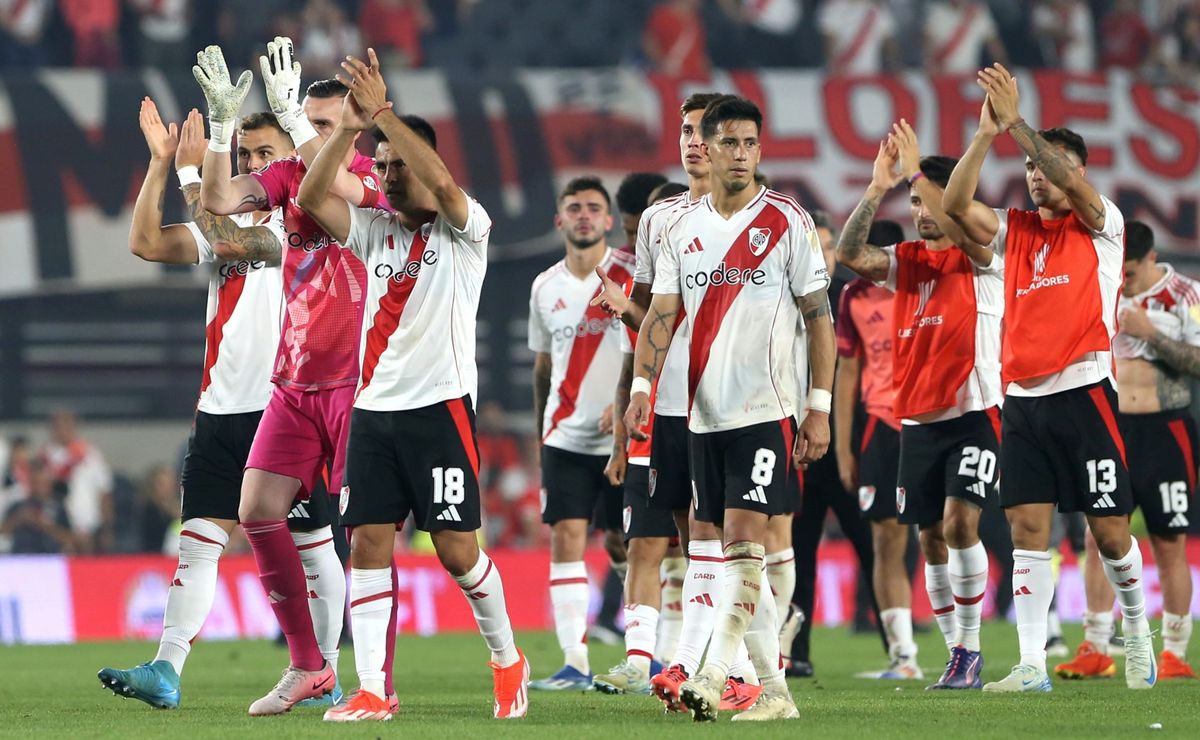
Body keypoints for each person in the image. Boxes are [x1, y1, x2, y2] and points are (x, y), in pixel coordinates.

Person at [296, 48, 529, 721]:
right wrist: (349, 127)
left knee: (458, 552)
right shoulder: (373, 232)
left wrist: (388, 117)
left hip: (440, 412)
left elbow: (446, 188)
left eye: (401, 165)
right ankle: (374, 690)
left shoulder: (467, 232)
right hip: (373, 414)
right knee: (366, 542)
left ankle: (508, 659)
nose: (390, 177)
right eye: (385, 167)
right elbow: (313, 196)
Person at [97, 99, 347, 709]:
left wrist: (191, 177)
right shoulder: (228, 231)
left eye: (266, 155)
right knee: (197, 542)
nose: (254, 165)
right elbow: (146, 243)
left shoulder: (301, 228)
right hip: (218, 411)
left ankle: (327, 670)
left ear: (289, 162)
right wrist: (160, 165)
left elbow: (224, 233)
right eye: (245, 156)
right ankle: (167, 669)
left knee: (313, 544)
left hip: (285, 409)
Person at [943, 62, 1156, 692]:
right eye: (1030, 168)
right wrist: (986, 137)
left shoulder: (1104, 226)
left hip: (1086, 391)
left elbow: (1067, 178)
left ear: (1078, 172)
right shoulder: (1015, 231)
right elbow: (955, 206)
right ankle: (1032, 663)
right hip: (1023, 401)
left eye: (1047, 167)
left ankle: (1137, 631)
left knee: (1109, 529)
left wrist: (1019, 126)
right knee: (1026, 531)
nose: (1036, 177)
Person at [195, 39, 389, 714]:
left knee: (371, 532)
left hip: (365, 380)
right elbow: (219, 200)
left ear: (355, 130)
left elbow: (324, 190)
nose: (313, 135)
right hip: (296, 378)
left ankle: (374, 683)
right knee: (257, 512)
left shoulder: (376, 178)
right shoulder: (288, 180)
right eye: (305, 121)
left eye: (326, 125)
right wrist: (221, 129)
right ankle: (309, 665)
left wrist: (300, 130)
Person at [627, 95, 833, 721]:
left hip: (763, 409)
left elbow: (819, 318)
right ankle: (774, 693)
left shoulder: (786, 220)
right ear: (706, 150)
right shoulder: (680, 230)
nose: (741, 154)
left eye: (751, 144)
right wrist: (641, 389)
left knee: (745, 542)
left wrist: (818, 406)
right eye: (729, 143)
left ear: (758, 151)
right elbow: (662, 316)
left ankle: (715, 671)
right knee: (714, 549)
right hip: (700, 415)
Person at [589, 93, 765, 712]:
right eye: (685, 131)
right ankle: (719, 667)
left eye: (702, 132)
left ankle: (729, 667)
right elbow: (652, 318)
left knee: (722, 537)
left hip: (732, 401)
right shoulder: (662, 219)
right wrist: (635, 371)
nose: (692, 141)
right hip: (669, 401)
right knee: (692, 540)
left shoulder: (755, 217)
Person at [839, 121, 1004, 690]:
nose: (919, 208)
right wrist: (878, 186)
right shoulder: (906, 260)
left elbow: (957, 217)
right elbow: (849, 253)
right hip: (916, 419)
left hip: (975, 411)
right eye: (912, 201)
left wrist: (917, 171)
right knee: (930, 537)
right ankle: (958, 654)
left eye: (926, 197)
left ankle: (972, 650)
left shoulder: (983, 257)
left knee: (961, 524)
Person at [1055, 220, 1198, 681]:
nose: (1125, 277)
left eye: (1131, 271)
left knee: (1169, 541)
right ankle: (1095, 645)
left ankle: (1175, 650)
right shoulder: (1101, 286)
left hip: (1165, 429)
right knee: (1098, 535)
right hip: (1111, 429)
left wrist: (1151, 334)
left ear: (1152, 259)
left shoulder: (1184, 295)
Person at [527, 175, 632, 690]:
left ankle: (645, 653)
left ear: (609, 220)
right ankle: (575, 662)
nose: (584, 215)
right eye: (575, 207)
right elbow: (543, 366)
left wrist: (634, 404)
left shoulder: (632, 276)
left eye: (594, 207)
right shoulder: (544, 287)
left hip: (625, 439)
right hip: (563, 437)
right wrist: (539, 431)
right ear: (560, 221)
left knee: (625, 543)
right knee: (566, 538)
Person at [785, 211, 886, 677]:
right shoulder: (780, 297)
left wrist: (853, 447)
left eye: (828, 247)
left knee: (872, 547)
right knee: (797, 554)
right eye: (815, 246)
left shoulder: (851, 297)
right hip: (798, 449)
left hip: (846, 448)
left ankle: (899, 651)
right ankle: (795, 653)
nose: (822, 255)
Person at [833, 216, 922, 681]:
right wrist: (845, 449)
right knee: (886, 539)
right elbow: (847, 373)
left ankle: (961, 647)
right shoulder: (852, 297)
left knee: (942, 532)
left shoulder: (924, 280)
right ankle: (903, 656)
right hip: (881, 427)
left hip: (932, 419)